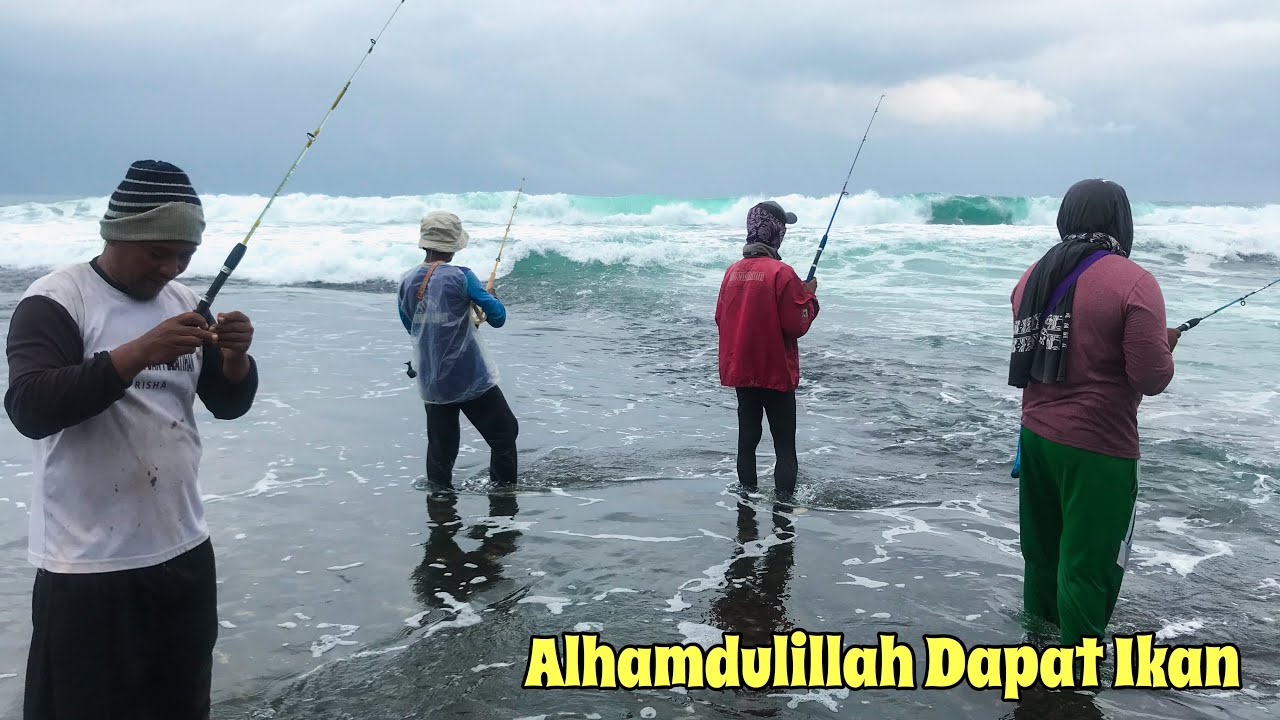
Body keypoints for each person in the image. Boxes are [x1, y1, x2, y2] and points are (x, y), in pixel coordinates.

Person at [4, 159, 260, 719]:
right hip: (87, 567)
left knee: (182, 706)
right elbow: (30, 407)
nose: (171, 268)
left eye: (185, 255)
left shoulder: (183, 302)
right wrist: (139, 352)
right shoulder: (56, 301)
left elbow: (227, 403)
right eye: (158, 253)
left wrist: (235, 358)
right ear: (117, 234)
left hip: (184, 550)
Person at [1009, 178, 1179, 647]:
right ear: (1122, 221)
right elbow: (1151, 378)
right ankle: (1079, 670)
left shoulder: (1032, 275)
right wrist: (1164, 347)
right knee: (1088, 567)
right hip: (1099, 447)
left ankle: (1035, 653)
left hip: (1036, 437)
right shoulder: (1135, 282)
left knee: (1041, 558)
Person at [398, 210, 518, 491]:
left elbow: (412, 327)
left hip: (431, 378)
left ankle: (440, 502)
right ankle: (503, 495)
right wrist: (490, 298)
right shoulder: (462, 276)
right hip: (469, 375)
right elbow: (498, 318)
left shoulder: (405, 281)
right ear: (453, 245)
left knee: (441, 448)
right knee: (504, 433)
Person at [715, 201, 819, 500]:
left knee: (747, 440)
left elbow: (721, 318)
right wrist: (809, 299)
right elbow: (796, 325)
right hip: (775, 372)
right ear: (776, 231)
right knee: (784, 445)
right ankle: (784, 510)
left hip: (741, 370)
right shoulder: (782, 273)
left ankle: (746, 503)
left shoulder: (732, 272)